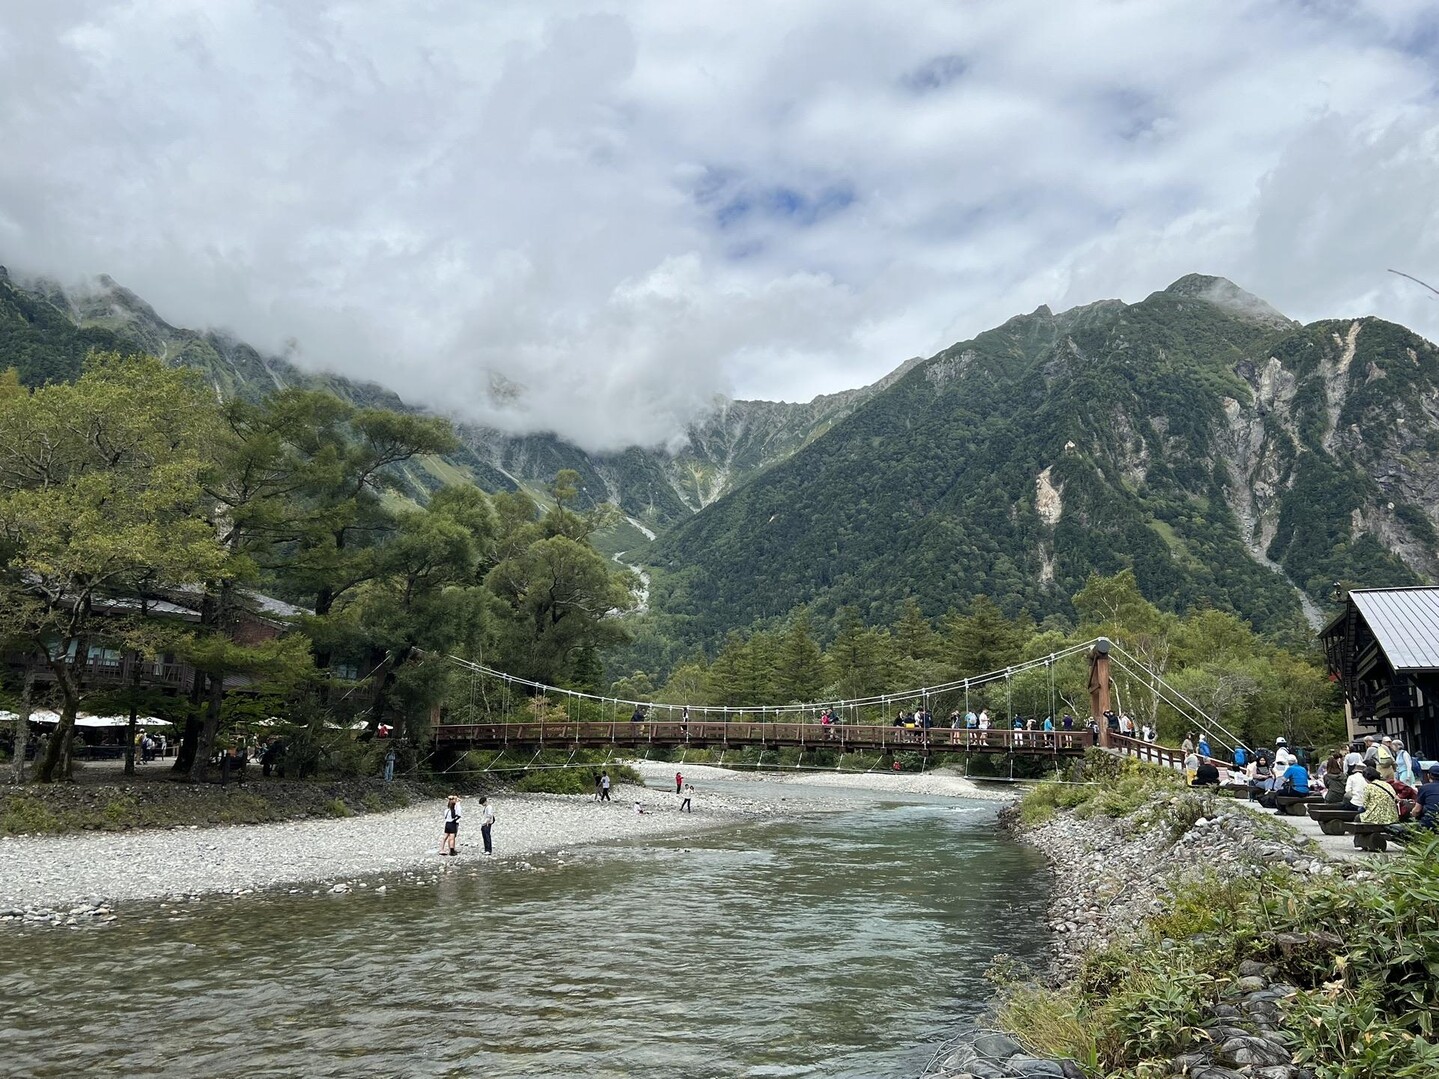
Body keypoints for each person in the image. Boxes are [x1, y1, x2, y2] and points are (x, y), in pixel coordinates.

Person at [1416, 764, 1439, 829]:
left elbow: (1417, 811)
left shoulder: (1424, 788)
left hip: (1429, 822)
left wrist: (1411, 814)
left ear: (1428, 775)